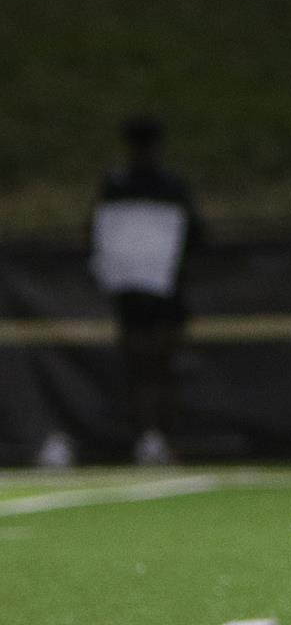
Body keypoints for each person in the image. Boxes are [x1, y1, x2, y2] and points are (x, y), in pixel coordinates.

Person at [78, 114, 204, 467]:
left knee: (160, 364)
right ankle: (146, 438)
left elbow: (194, 235)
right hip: (133, 292)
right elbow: (98, 233)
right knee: (139, 365)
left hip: (164, 291)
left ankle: (163, 436)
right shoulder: (116, 185)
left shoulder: (171, 186)